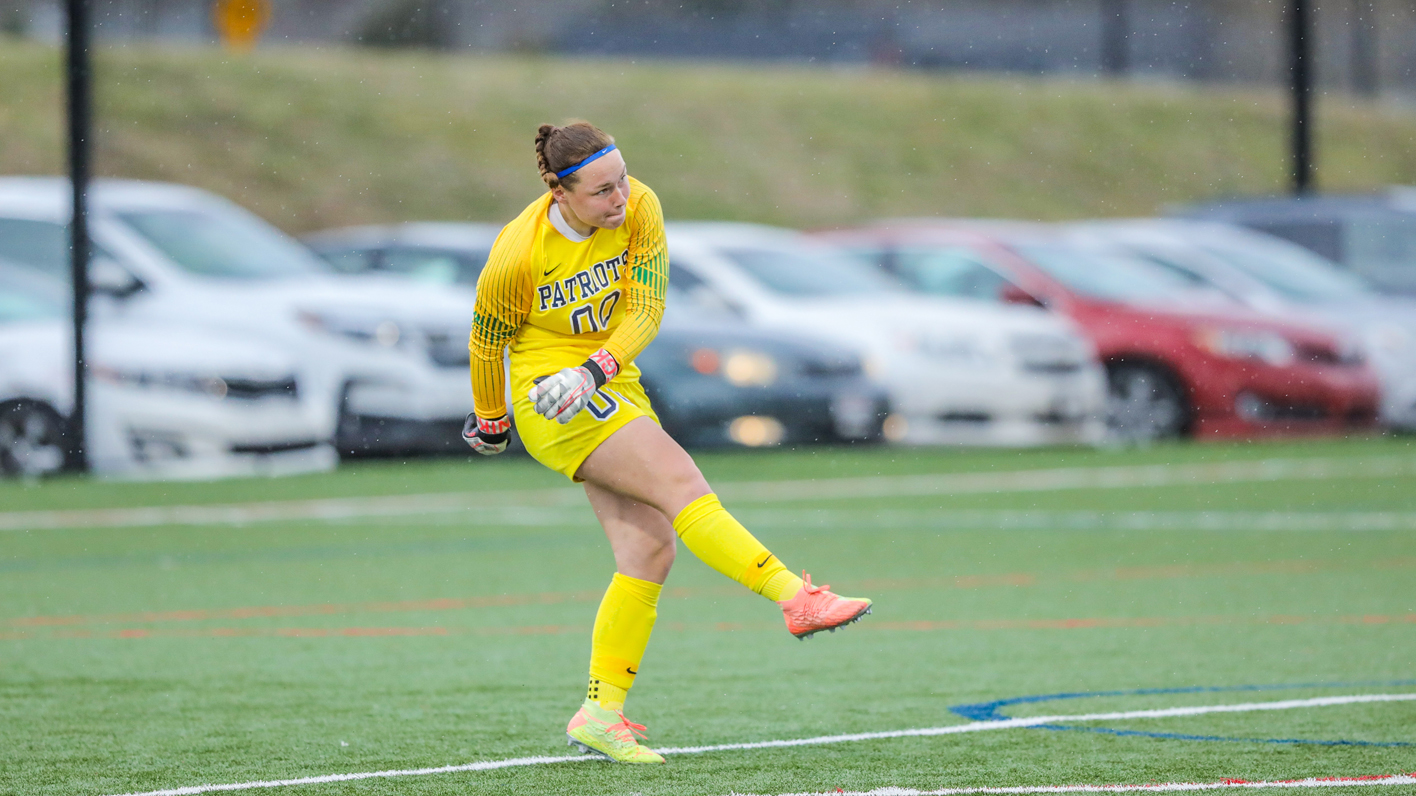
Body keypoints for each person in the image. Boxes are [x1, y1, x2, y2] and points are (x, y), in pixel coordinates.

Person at [463, 120, 872, 764]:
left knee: (649, 552)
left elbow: (646, 311)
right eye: (601, 191)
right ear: (559, 192)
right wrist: (492, 421)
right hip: (554, 396)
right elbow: (486, 342)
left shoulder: (642, 207)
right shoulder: (517, 254)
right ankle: (798, 599)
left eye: (621, 180)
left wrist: (595, 367)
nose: (620, 198)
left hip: (608, 378)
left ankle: (600, 714)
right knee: (684, 485)